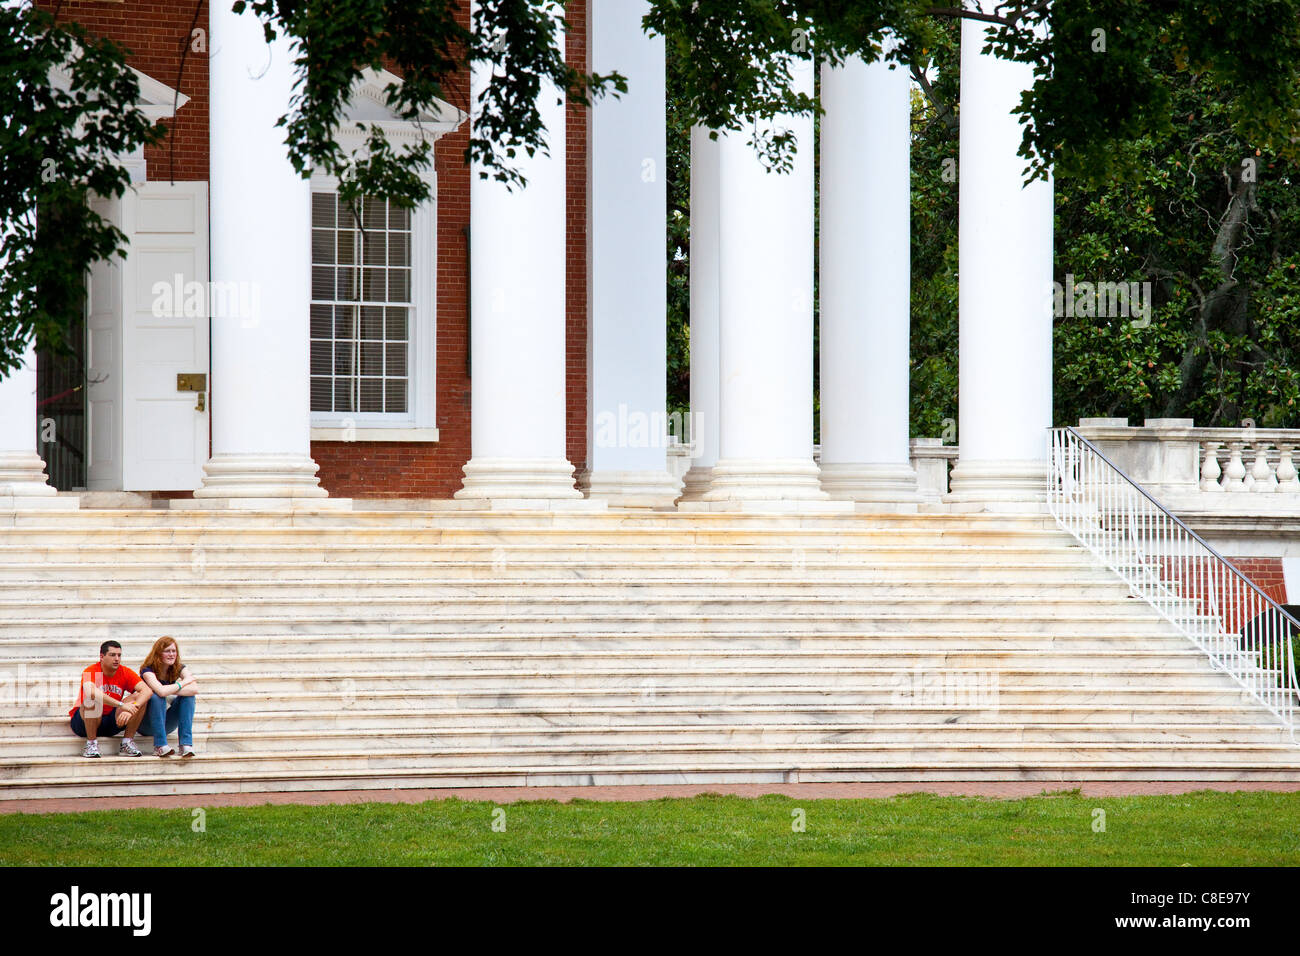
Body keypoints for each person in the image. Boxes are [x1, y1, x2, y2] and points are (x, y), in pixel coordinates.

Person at [70, 640, 152, 757]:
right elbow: (90, 692)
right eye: (112, 655)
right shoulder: (92, 670)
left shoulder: (124, 672)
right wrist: (121, 705)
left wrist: (134, 707)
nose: (117, 659)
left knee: (140, 698)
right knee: (92, 700)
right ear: (102, 657)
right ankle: (91, 744)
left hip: (112, 721)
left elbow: (147, 690)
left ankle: (127, 743)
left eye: (119, 655)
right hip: (85, 722)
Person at [139, 636, 199, 757]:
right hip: (145, 724)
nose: (171, 654)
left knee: (188, 697)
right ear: (158, 653)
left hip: (166, 723)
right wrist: (181, 683)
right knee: (156, 697)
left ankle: (185, 745)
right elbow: (161, 692)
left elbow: (194, 689)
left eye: (174, 651)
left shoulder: (179, 668)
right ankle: (159, 746)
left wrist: (167, 690)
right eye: (167, 651)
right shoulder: (147, 671)